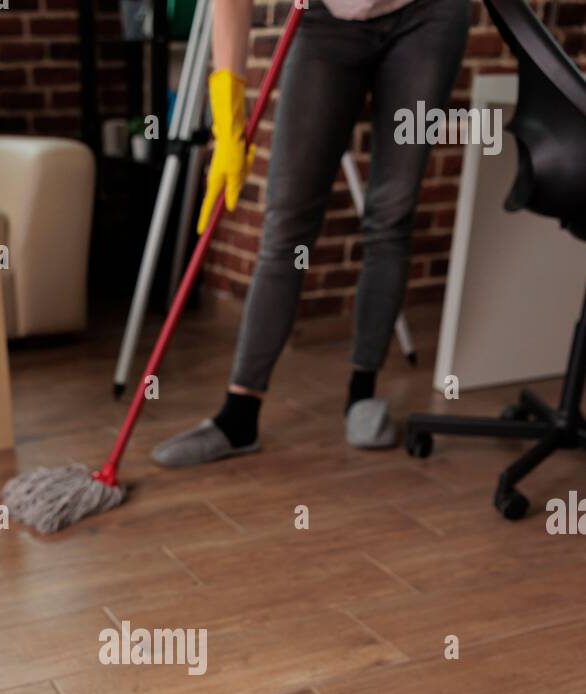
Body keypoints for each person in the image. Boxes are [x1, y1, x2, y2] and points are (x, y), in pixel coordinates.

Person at [153, 0, 471, 466]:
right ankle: (239, 414)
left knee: (391, 213)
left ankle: (362, 392)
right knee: (287, 221)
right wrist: (226, 122)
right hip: (326, 22)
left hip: (428, 17)